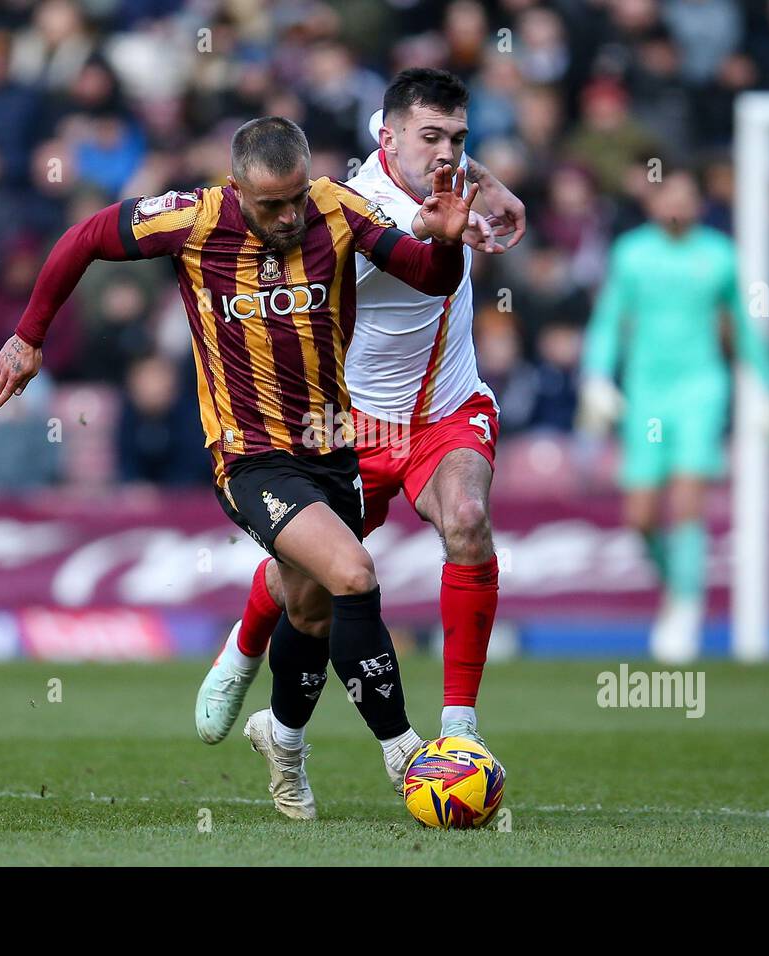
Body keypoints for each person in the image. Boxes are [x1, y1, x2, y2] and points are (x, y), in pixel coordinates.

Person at [0, 116, 476, 820]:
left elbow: (429, 278)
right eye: (269, 203)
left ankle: (281, 739)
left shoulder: (338, 208)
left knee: (308, 606)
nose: (286, 217)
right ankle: (404, 750)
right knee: (352, 574)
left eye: (295, 199)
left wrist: (450, 241)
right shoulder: (193, 218)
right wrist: (30, 336)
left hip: (331, 446)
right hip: (248, 457)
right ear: (236, 187)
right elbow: (87, 236)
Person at [195, 68, 526, 752]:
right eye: (430, 137)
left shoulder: (450, 177)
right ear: (386, 138)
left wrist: (487, 181)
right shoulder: (341, 209)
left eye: (458, 140)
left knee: (468, 520)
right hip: (358, 424)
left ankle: (460, 730)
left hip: (447, 406)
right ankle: (244, 646)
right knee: (307, 584)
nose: (447, 154)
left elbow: (444, 161)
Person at [578, 170, 769, 663]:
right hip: (646, 393)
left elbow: (745, 329)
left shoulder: (719, 256)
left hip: (701, 389)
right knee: (641, 515)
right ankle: (677, 586)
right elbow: (609, 321)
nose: (678, 203)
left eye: (687, 196)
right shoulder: (631, 253)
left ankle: (687, 606)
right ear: (653, 201)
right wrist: (596, 378)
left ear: (698, 204)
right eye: (669, 193)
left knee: (689, 500)